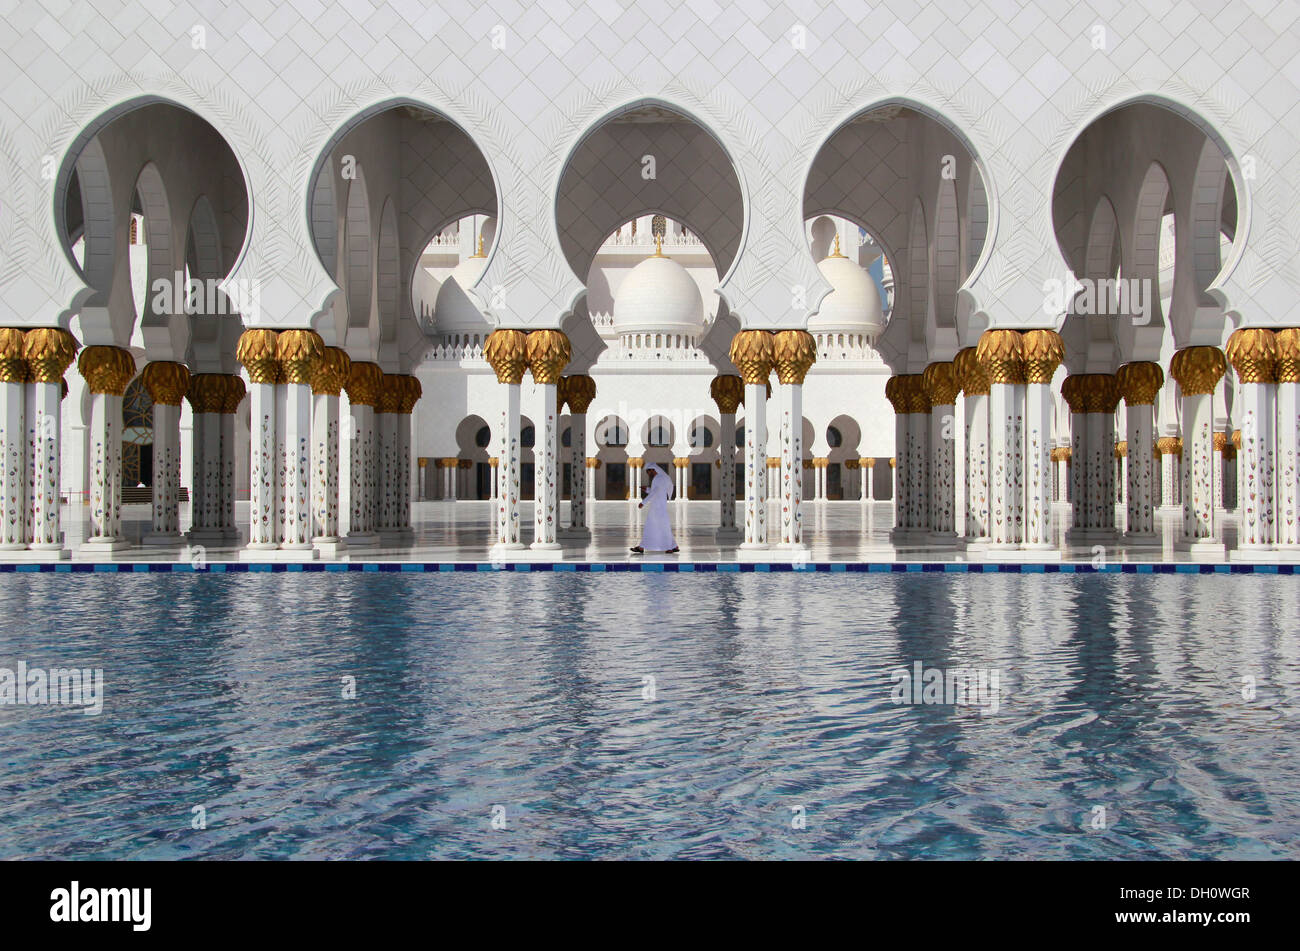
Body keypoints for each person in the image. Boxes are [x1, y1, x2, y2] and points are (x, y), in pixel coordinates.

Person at [631, 463, 678, 554]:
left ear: (653, 469)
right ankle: (673, 546)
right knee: (663, 526)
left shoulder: (658, 478)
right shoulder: (663, 477)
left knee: (653, 526)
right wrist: (647, 489)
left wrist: (643, 502)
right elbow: (659, 491)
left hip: (657, 507)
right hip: (660, 505)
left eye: (648, 471)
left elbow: (655, 492)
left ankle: (643, 547)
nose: (648, 474)